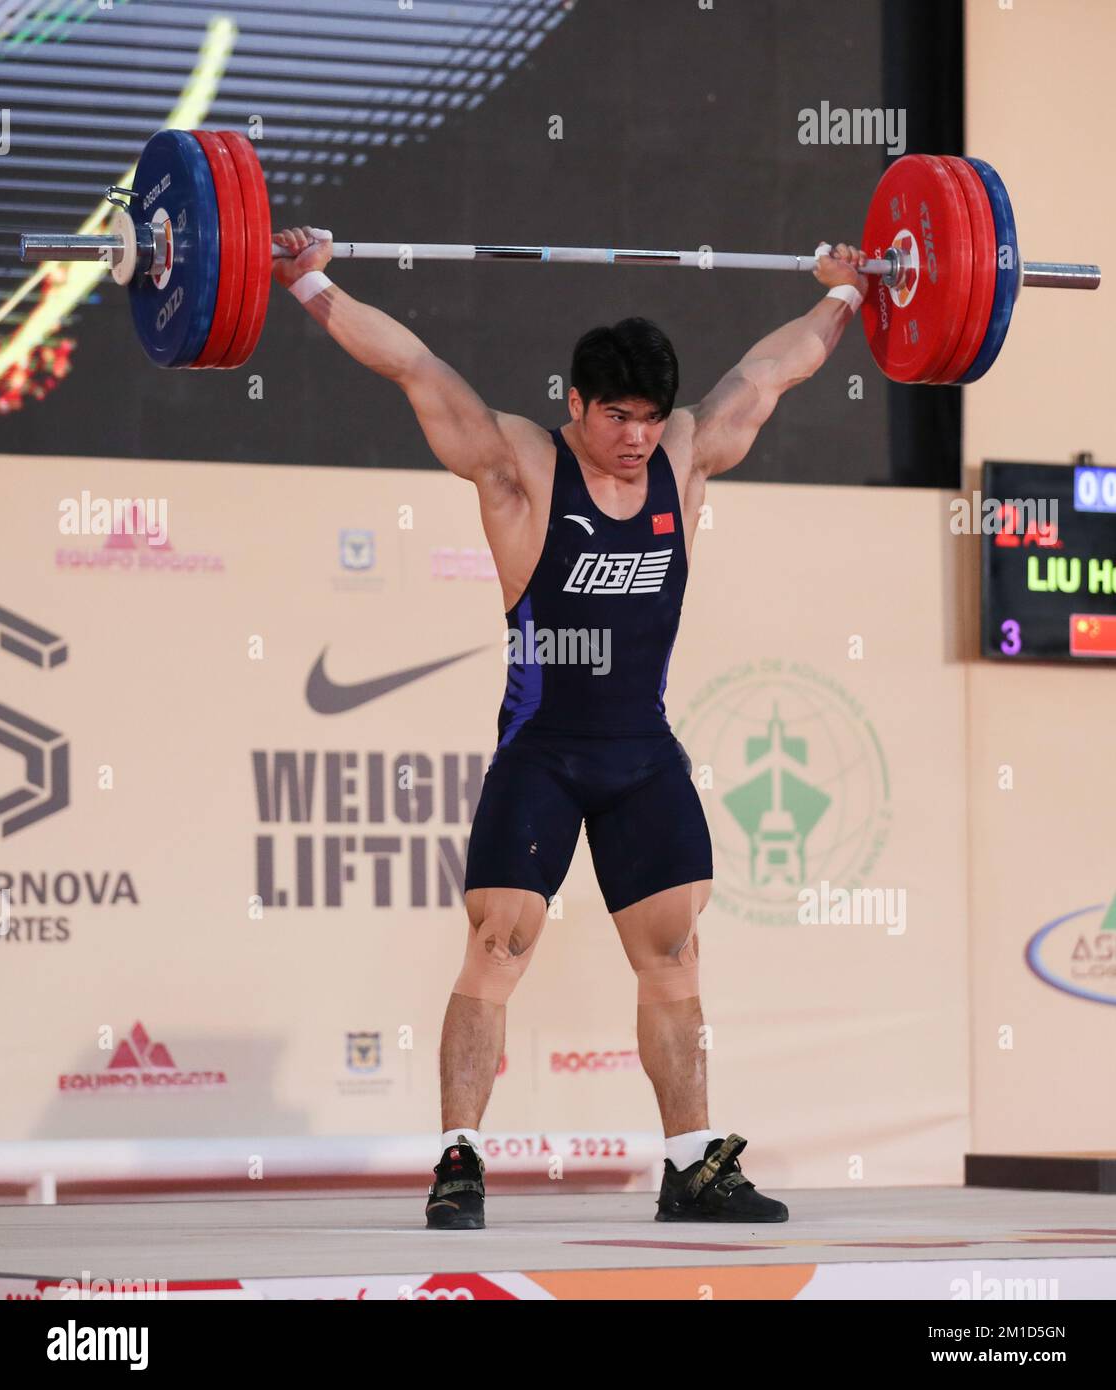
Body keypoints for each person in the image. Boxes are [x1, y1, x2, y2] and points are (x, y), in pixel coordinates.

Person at [273, 228, 870, 1228]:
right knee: (500, 941)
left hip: (642, 755)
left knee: (674, 951)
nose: (636, 437)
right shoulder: (522, 471)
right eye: (617, 417)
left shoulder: (685, 458)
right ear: (577, 407)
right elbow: (415, 366)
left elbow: (770, 374)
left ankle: (690, 1166)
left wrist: (847, 297)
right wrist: (309, 280)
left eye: (649, 417)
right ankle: (459, 1161)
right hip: (542, 754)